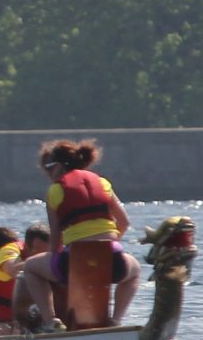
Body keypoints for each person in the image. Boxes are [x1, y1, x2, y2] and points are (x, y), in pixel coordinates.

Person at [39, 139, 134, 328]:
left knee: (32, 271)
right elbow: (124, 222)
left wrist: (53, 259)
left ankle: (51, 323)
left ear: (58, 166)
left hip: (72, 260)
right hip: (112, 257)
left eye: (49, 169)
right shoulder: (102, 182)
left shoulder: (55, 191)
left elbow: (56, 236)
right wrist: (106, 246)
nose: (49, 175)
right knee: (134, 273)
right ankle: (115, 321)